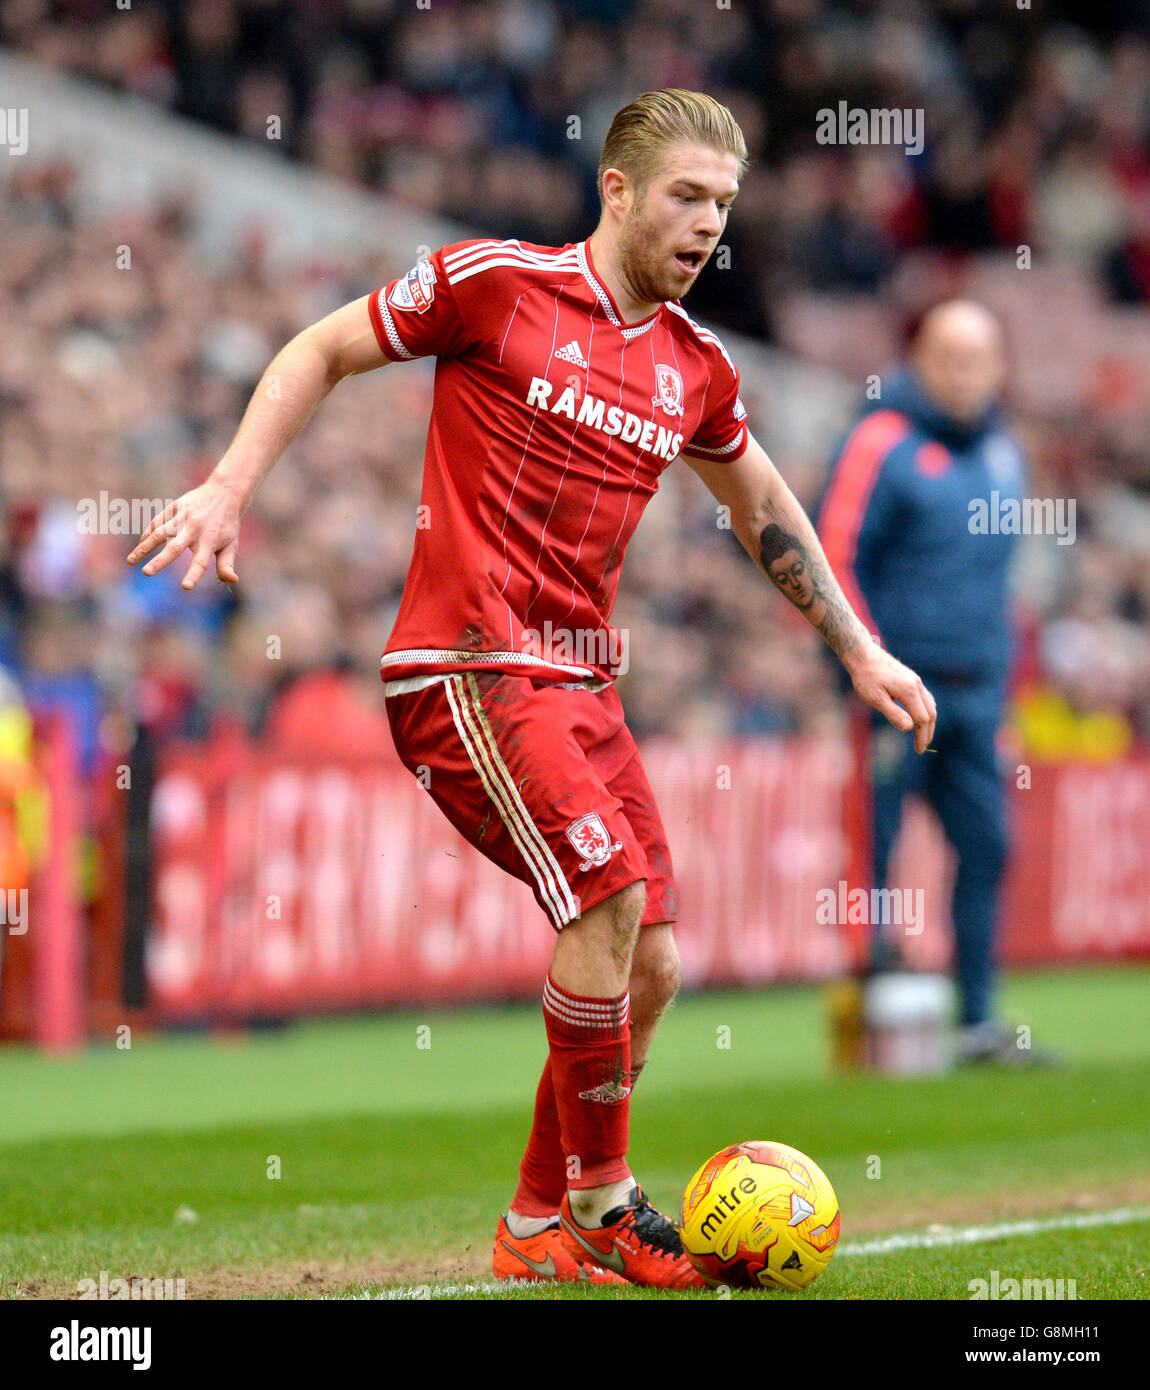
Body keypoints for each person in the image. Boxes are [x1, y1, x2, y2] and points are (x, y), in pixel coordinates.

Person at [128, 89, 936, 1287]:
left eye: (723, 204)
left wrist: (859, 648)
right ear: (615, 190)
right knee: (603, 899)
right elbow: (321, 346)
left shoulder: (694, 367)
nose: (709, 223)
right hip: (464, 662)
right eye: (686, 197)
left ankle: (531, 1223)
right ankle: (602, 1204)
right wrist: (227, 487)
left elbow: (760, 503)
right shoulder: (494, 282)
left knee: (653, 959)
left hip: (579, 685)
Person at [817, 300, 1051, 1066]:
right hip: (891, 692)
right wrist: (862, 663)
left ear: (1000, 368)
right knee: (873, 854)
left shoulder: (1005, 455)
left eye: (977, 359)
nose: (963, 375)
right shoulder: (879, 442)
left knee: (987, 847)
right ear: (918, 360)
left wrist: (1009, 683)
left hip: (977, 695)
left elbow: (997, 587)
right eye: (948, 357)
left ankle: (978, 1022)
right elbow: (834, 559)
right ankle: (874, 1031)